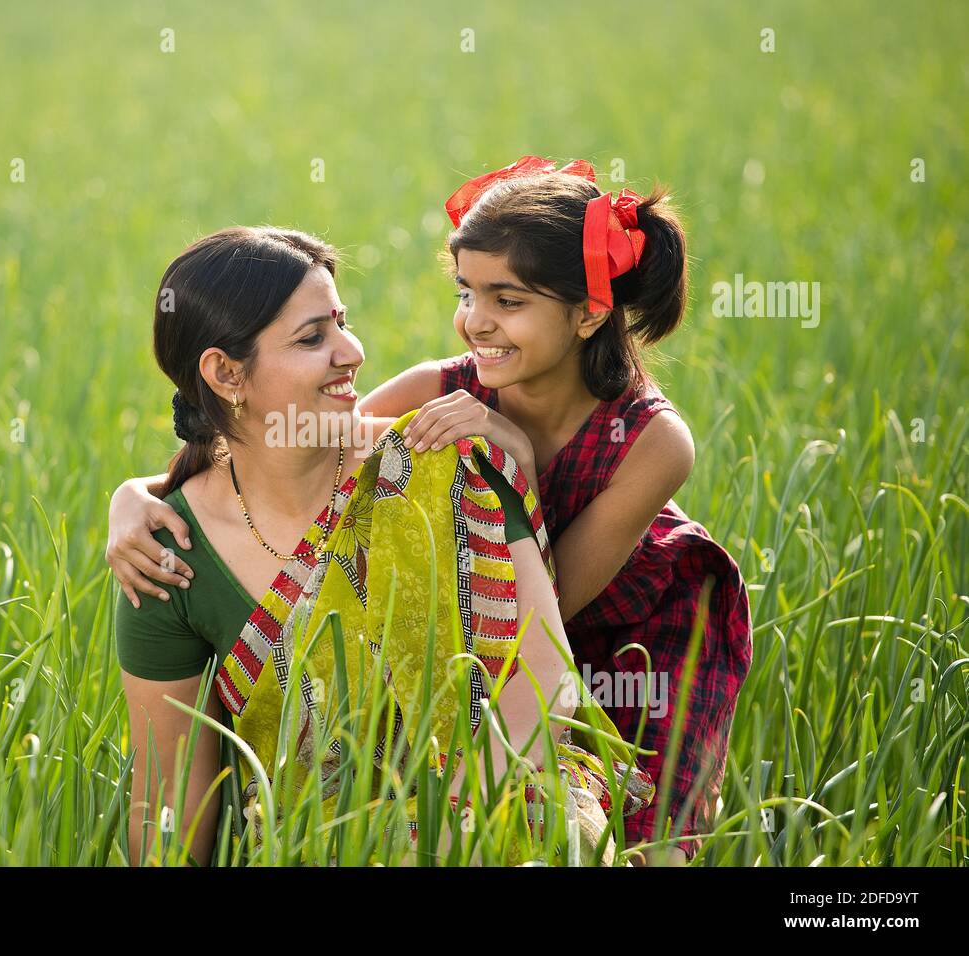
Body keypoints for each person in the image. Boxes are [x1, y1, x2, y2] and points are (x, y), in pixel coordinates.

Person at [108, 157, 752, 865]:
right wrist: (136, 495)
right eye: (312, 337)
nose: (353, 353)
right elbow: (279, 452)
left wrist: (514, 468)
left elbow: (540, 648)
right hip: (417, 750)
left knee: (649, 827)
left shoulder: (485, 457)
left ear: (588, 313)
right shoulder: (172, 550)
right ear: (224, 373)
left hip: (605, 647)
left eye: (507, 301)